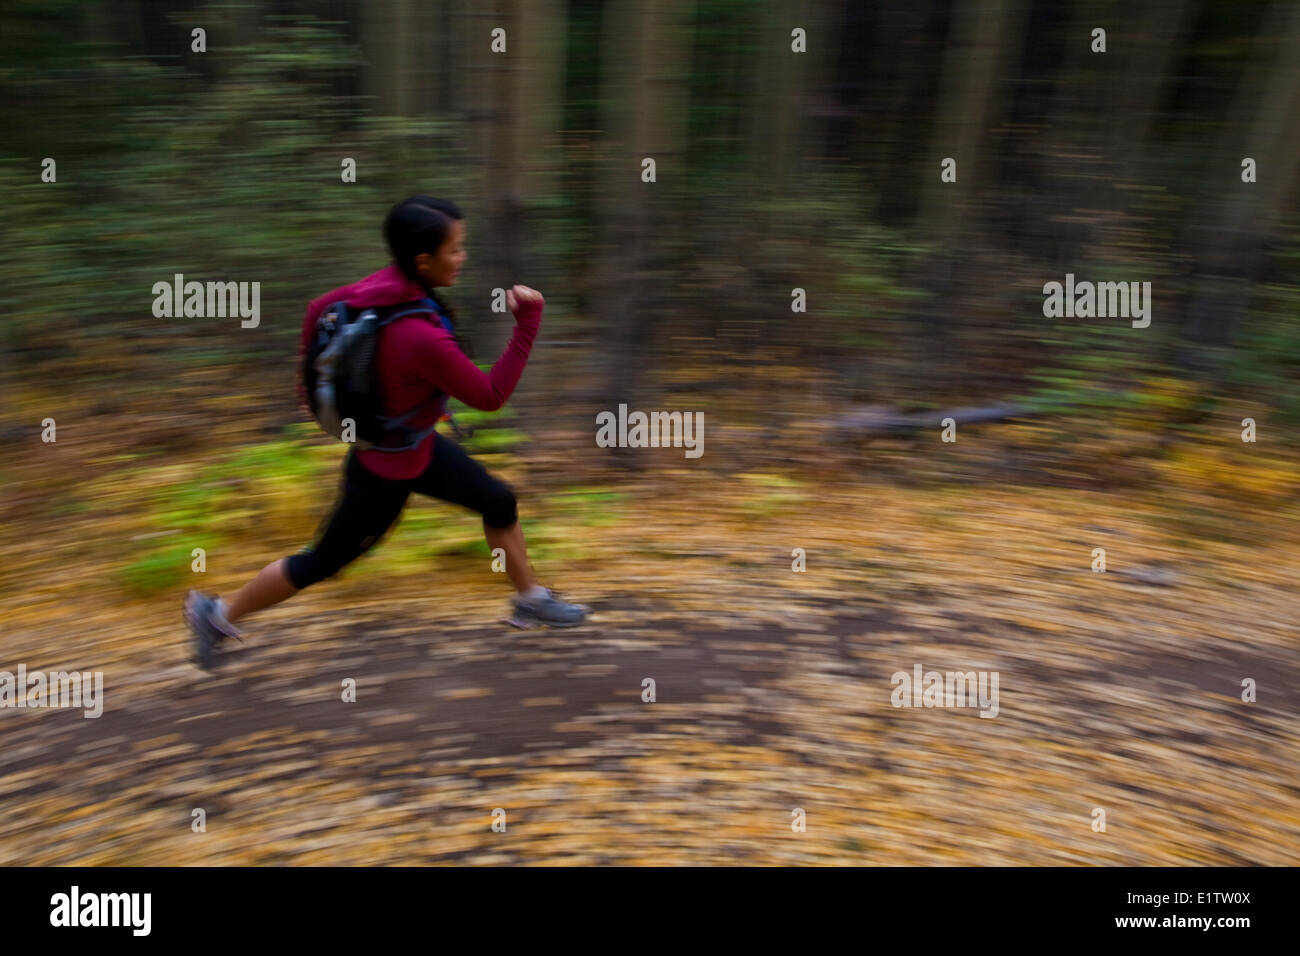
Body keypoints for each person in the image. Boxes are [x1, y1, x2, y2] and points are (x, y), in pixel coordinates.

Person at [184, 195, 588, 670]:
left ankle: (530, 598)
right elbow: (489, 395)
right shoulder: (419, 335)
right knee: (322, 562)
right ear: (423, 260)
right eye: (455, 249)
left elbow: (318, 308)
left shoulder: (380, 289)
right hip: (383, 472)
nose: (463, 257)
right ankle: (216, 613)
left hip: (417, 447)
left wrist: (307, 387)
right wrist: (527, 325)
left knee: (499, 502)